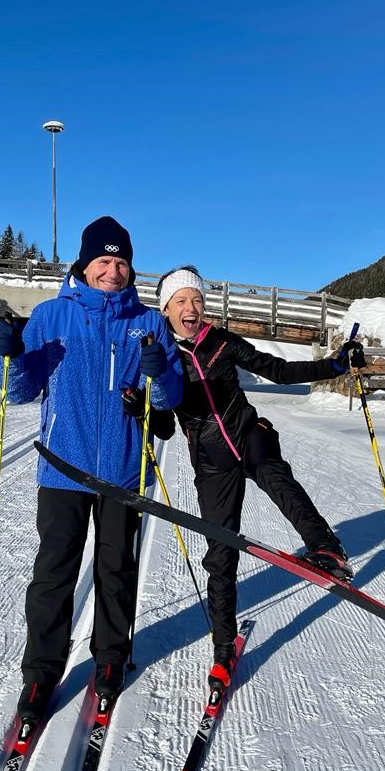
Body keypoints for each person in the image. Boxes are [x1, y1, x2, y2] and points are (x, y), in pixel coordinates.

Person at [0, 216, 183, 723]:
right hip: (62, 470)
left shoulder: (148, 322)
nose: (113, 270)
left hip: (122, 470)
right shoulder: (52, 316)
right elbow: (19, 391)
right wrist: (10, 357)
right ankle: (40, 676)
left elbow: (168, 400)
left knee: (116, 570)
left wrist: (157, 374)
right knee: (54, 573)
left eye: (121, 261)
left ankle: (110, 663)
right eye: (103, 260)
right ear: (84, 265)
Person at [156, 265, 366, 691]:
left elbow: (280, 370)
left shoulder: (222, 343)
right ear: (166, 310)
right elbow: (159, 423)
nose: (191, 308)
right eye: (182, 301)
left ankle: (327, 547)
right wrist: (136, 394)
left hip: (247, 433)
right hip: (210, 461)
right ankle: (222, 645)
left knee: (272, 472)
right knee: (221, 552)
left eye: (197, 300)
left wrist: (334, 365)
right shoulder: (162, 358)